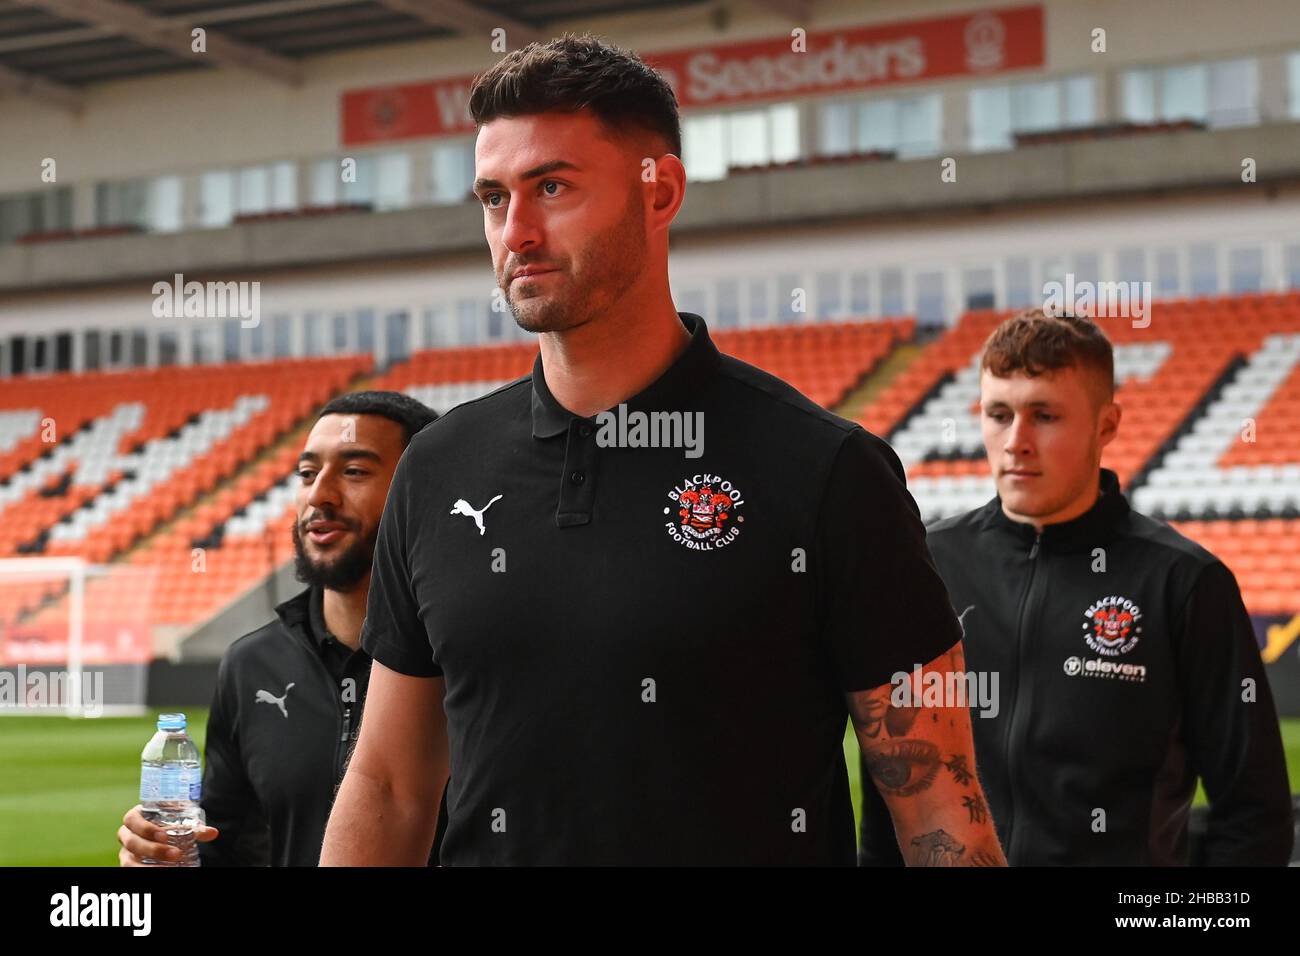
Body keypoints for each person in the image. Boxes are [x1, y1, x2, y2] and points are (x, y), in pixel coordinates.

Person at [320, 34, 1006, 866]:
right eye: (495, 198)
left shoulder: (827, 473)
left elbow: (939, 809)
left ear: (660, 191)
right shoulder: (439, 468)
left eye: (554, 187)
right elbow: (391, 783)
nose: (518, 231)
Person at [859, 309, 1295, 865]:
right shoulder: (928, 563)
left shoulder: (1183, 583)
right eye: (998, 414)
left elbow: (1256, 817)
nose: (1016, 441)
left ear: (1106, 425)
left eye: (1044, 415)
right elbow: (889, 778)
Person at [118, 391, 442, 866]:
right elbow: (224, 847)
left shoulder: (469, 658)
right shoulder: (251, 666)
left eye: (354, 472)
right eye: (307, 474)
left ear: (421, 491)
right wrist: (162, 855)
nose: (320, 495)